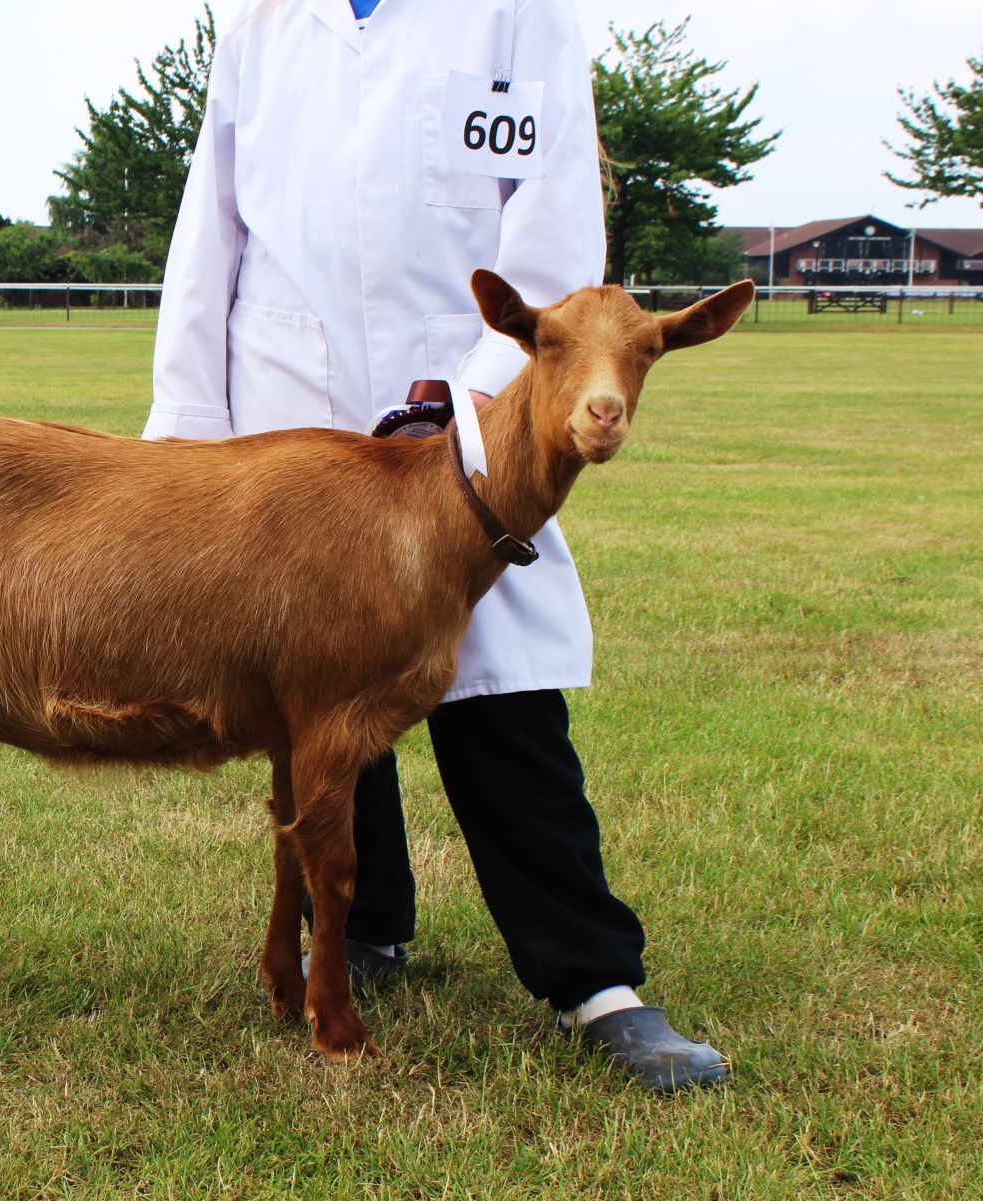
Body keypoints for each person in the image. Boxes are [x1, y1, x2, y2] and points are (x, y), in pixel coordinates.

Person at [143, 0, 726, 1092]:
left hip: (469, 412)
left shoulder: (517, 14)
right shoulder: (265, 21)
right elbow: (209, 234)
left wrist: (460, 395)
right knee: (318, 691)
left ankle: (593, 978)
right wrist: (183, 437)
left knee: (499, 691)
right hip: (291, 401)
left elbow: (550, 224)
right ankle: (361, 929)